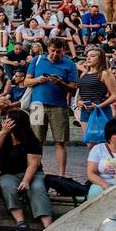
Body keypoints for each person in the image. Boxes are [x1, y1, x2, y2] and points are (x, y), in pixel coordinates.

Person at [0, 110, 53, 231]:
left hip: (33, 173)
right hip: (8, 174)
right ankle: (21, 223)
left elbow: (33, 164)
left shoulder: (32, 139)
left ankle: (49, 227)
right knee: (7, 185)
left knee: (37, 188)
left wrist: (26, 181)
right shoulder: (4, 137)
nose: (3, 122)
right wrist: (3, 131)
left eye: (7, 120)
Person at [23, 40, 78, 177]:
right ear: (48, 48)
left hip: (59, 106)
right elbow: (26, 81)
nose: (55, 54)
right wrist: (39, 80)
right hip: (37, 105)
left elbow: (73, 88)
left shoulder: (69, 64)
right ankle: (33, 171)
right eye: (52, 51)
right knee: (36, 141)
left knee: (60, 141)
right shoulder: (37, 59)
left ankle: (61, 175)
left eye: (58, 52)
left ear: (63, 50)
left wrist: (60, 83)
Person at [85, 117, 116, 199]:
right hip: (104, 184)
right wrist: (106, 186)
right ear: (109, 135)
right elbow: (91, 173)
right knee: (96, 192)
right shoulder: (98, 149)